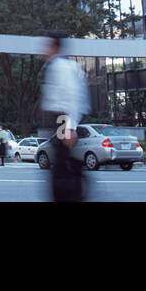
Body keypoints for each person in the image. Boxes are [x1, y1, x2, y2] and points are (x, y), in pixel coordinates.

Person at [40, 32, 90, 202]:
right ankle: (71, 193)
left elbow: (72, 95)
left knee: (62, 164)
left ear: (54, 47)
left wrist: (70, 126)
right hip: (61, 118)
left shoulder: (61, 66)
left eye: (47, 46)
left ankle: (71, 195)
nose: (43, 50)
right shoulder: (61, 65)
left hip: (63, 118)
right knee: (61, 160)